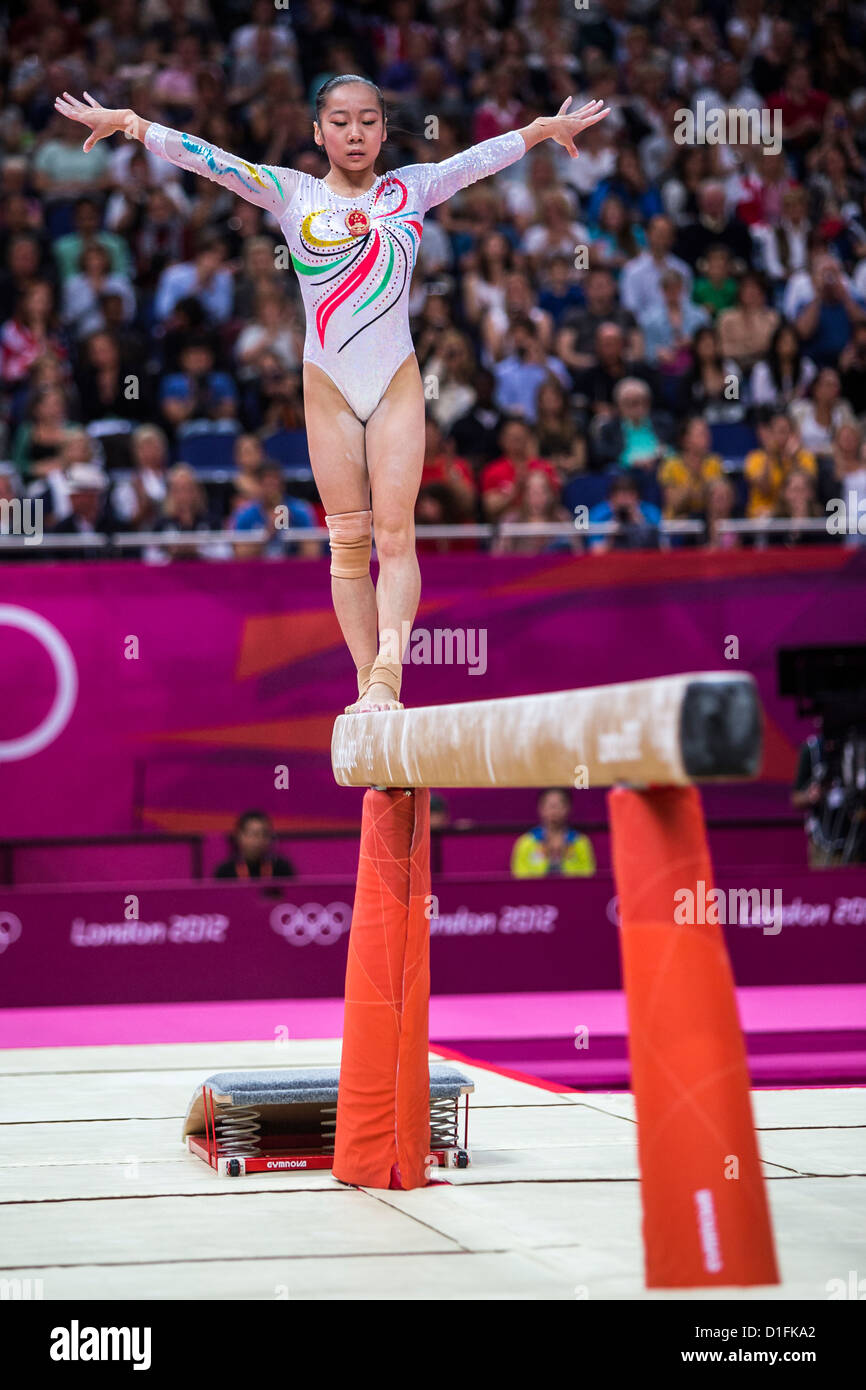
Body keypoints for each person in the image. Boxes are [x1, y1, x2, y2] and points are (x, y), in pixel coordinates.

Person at [55, 83, 609, 714]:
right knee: (348, 541)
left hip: (396, 380)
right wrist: (131, 122)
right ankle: (363, 681)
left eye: (368, 121)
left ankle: (388, 679)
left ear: (382, 130)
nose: (354, 133)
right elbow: (207, 159)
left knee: (397, 537)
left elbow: (477, 160)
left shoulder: (413, 187)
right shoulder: (294, 193)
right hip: (328, 388)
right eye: (340, 122)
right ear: (319, 132)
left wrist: (539, 131)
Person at [510, 788, 596, 878]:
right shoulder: (526, 842)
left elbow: (588, 875)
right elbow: (519, 877)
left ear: (569, 808)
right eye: (550, 805)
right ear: (541, 808)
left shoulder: (580, 842)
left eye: (559, 805)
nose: (554, 810)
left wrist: (563, 857)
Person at [214, 810, 295, 879]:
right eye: (254, 834)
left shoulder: (282, 869)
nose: (259, 840)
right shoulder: (225, 872)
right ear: (239, 836)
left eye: (265, 834)